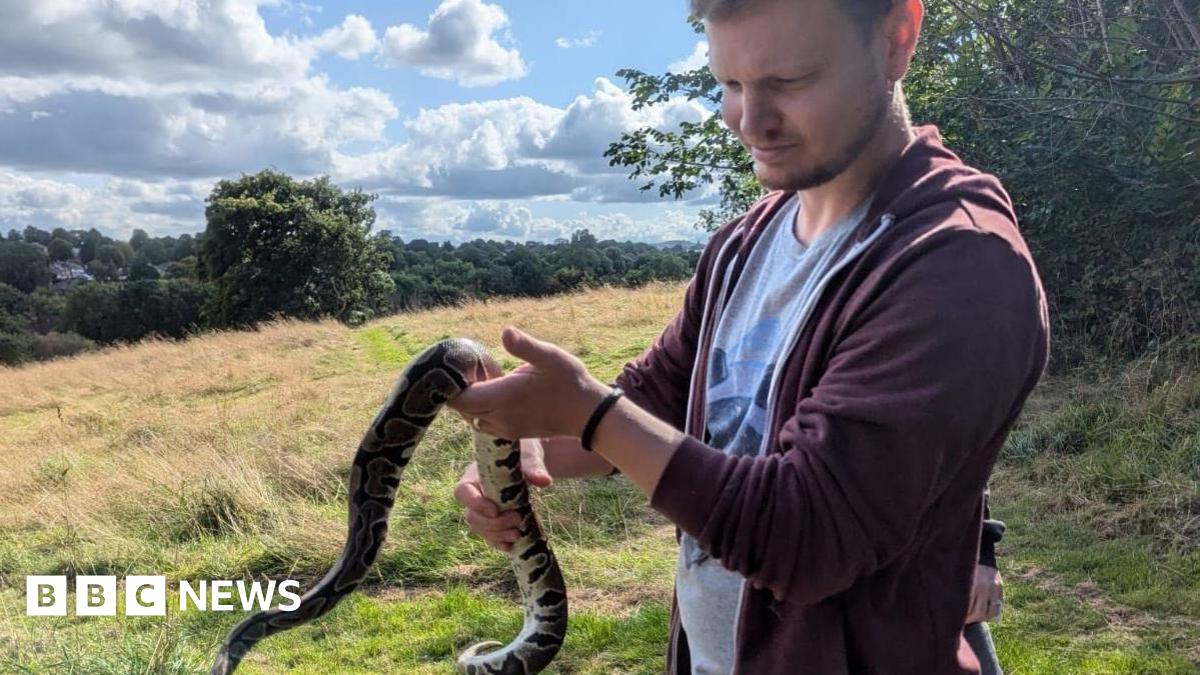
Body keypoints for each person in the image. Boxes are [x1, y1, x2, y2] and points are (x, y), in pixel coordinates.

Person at [449, 0, 1049, 672]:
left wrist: (592, 413)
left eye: (788, 81)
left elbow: (809, 536)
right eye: (730, 83)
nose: (749, 121)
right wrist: (522, 452)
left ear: (896, 38)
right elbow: (654, 402)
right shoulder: (745, 243)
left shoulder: (959, 263)